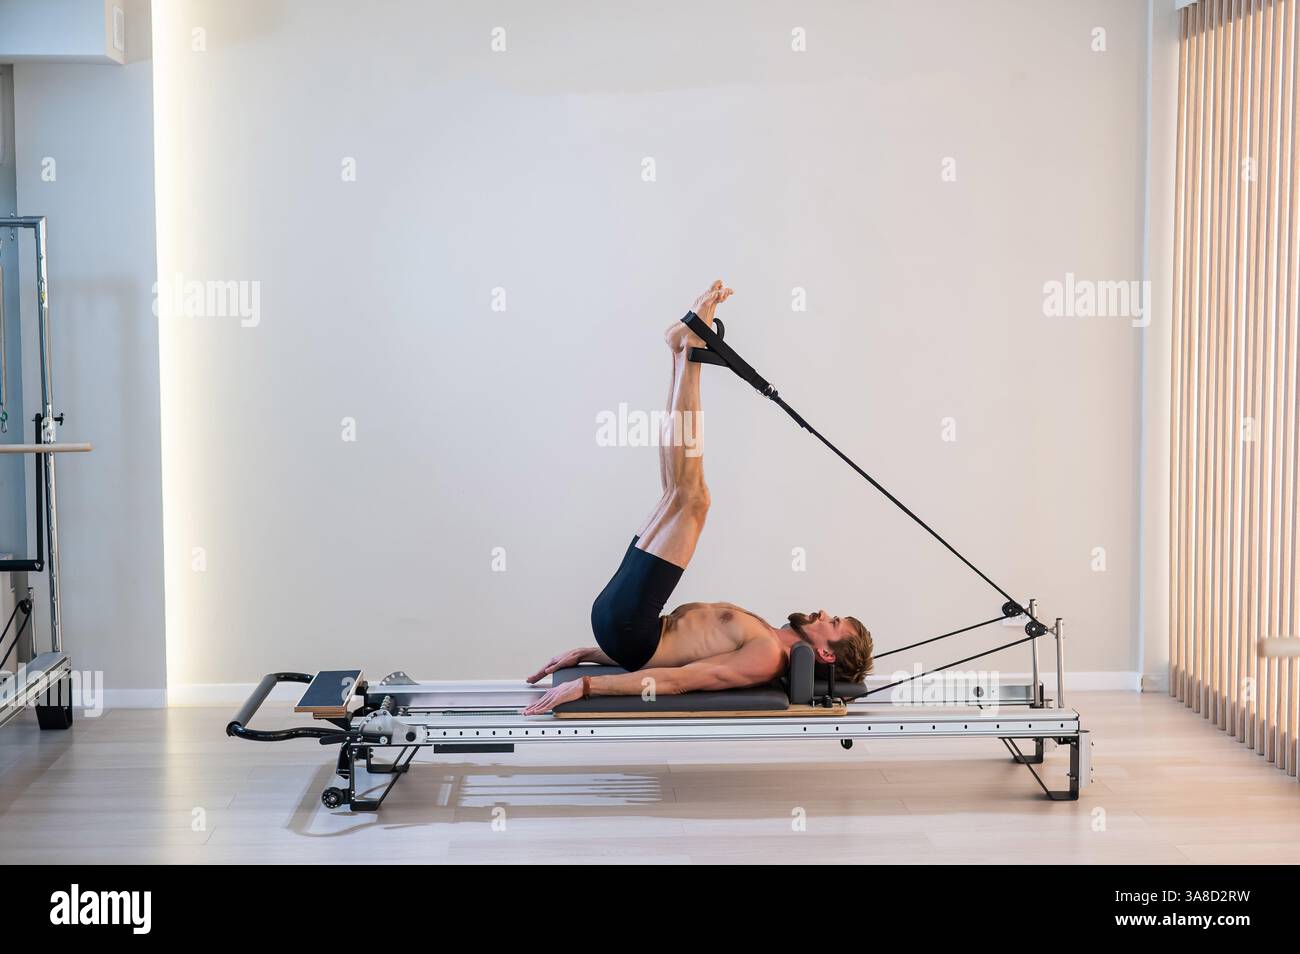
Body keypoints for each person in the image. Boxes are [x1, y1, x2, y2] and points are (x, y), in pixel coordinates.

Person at [523, 281, 873, 715]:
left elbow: (680, 678)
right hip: (626, 630)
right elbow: (680, 651)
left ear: (826, 654)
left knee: (695, 499)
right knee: (678, 493)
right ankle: (682, 352)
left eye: (833, 623)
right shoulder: (765, 634)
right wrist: (591, 653)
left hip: (631, 627)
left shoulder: (765, 656)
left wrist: (590, 686)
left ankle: (690, 354)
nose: (824, 612)